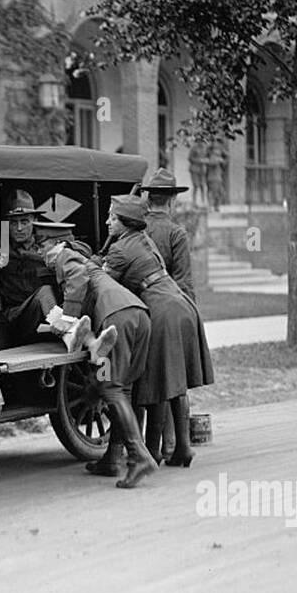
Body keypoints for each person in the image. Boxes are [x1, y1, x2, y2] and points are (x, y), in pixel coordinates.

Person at [101, 194, 214, 468]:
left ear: (125, 222)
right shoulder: (143, 240)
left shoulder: (119, 249)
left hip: (160, 312)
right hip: (181, 306)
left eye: (112, 218)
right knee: (175, 381)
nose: (107, 222)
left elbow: (101, 280)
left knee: (146, 382)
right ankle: (182, 449)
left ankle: (146, 452)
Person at [45, 241, 160, 489]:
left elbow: (76, 277)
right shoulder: (92, 264)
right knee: (123, 389)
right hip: (138, 315)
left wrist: (65, 318)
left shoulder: (66, 257)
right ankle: (112, 458)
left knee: (109, 388)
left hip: (114, 320)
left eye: (47, 247)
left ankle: (139, 457)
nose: (46, 253)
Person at [0, 190, 59, 345]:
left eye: (25, 222)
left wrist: (63, 249)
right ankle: (67, 333)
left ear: (34, 220)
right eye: (14, 223)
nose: (19, 228)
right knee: (45, 292)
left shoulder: (45, 241)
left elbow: (83, 249)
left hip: (45, 315)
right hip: (15, 318)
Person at [138, 167, 195, 301]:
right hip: (165, 304)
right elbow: (183, 283)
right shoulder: (176, 234)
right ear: (172, 199)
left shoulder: (135, 228)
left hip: (136, 305)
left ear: (149, 199)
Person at [189, 140, 209, 209]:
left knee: (202, 186)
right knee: (196, 185)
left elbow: (208, 157)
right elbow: (190, 158)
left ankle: (203, 201)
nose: (202, 142)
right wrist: (199, 160)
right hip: (195, 169)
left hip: (202, 170)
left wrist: (206, 160)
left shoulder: (205, 148)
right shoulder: (194, 148)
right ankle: (194, 202)